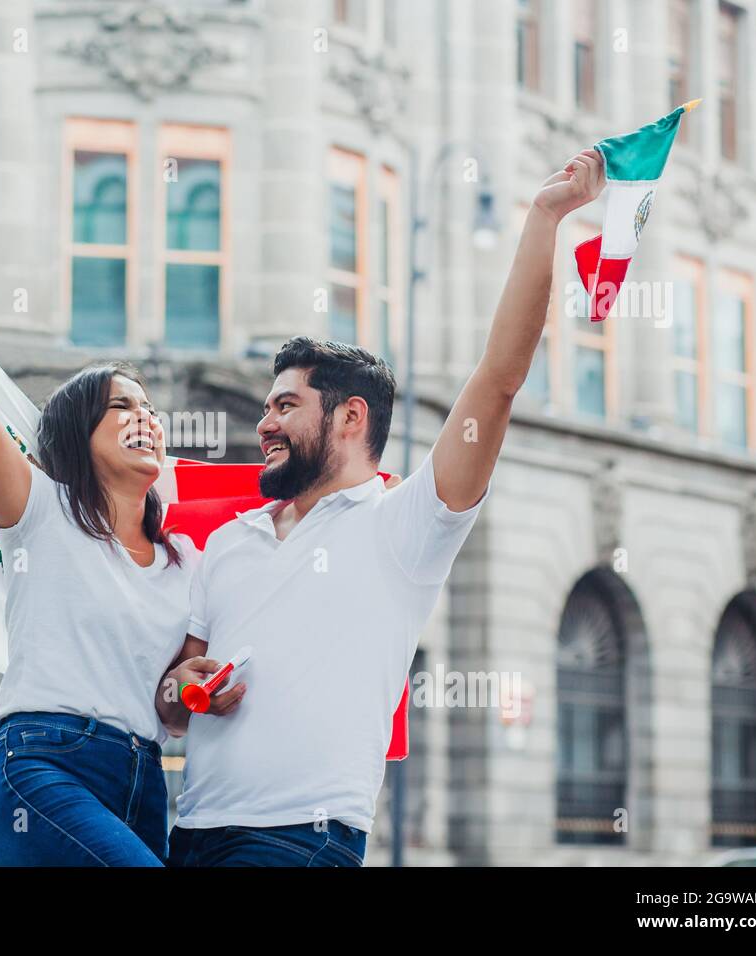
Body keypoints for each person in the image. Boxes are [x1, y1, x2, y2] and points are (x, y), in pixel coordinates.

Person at [155, 149, 607, 866]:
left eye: (286, 406)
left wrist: (546, 216)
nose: (265, 423)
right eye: (266, 406)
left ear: (349, 418)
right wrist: (186, 686)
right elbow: (172, 701)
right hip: (193, 836)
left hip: (302, 841)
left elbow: (497, 380)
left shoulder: (405, 527)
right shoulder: (228, 543)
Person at [0, 224, 218, 866]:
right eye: (120, 407)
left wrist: (198, 686)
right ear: (78, 434)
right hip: (42, 767)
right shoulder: (41, 509)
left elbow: (173, 712)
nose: (143, 418)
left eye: (148, 408)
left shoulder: (187, 562)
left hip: (142, 782)